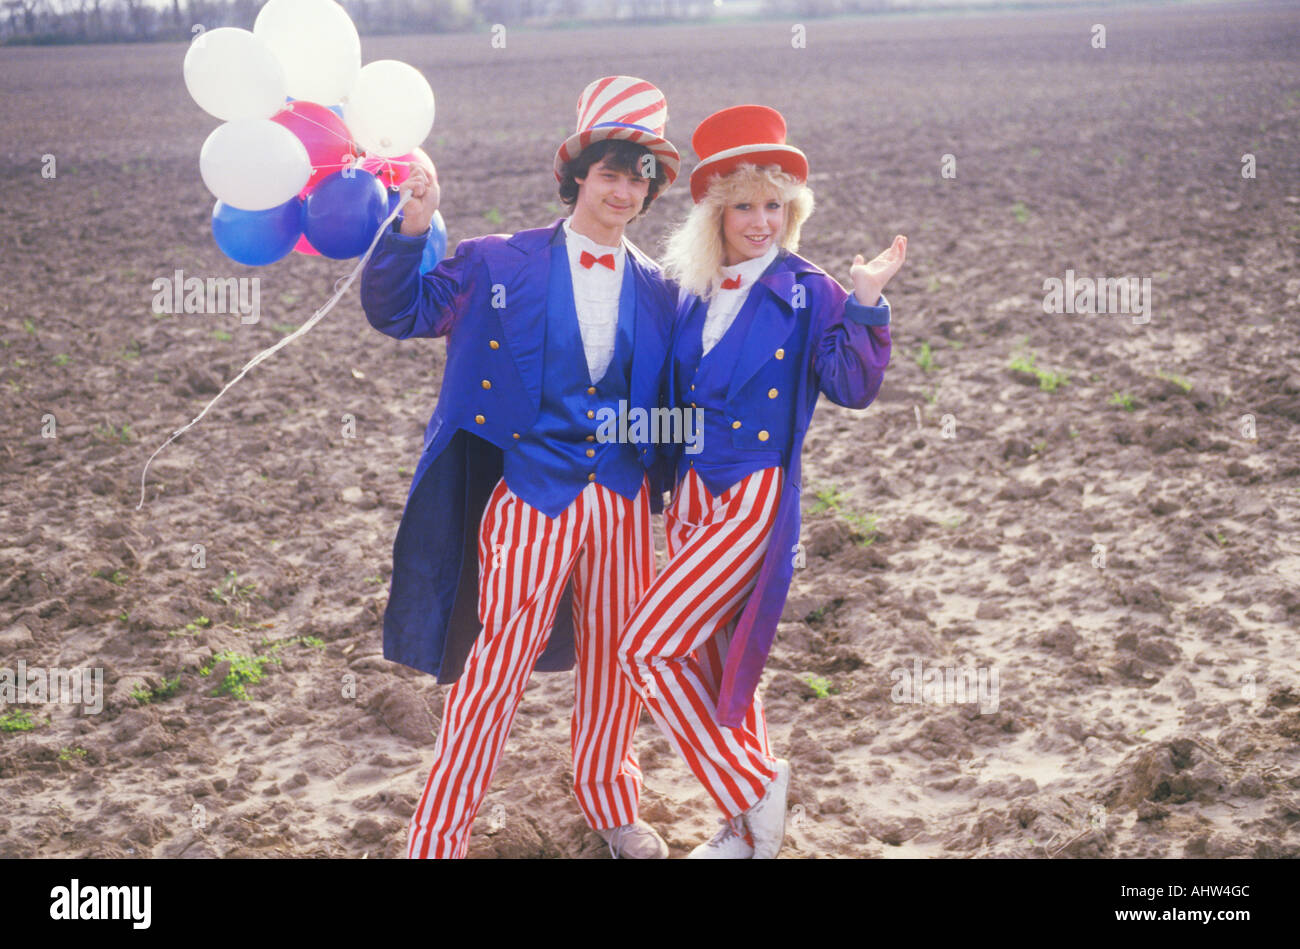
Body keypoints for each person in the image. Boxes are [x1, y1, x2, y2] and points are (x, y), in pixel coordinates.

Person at [359, 76, 682, 859]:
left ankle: (611, 803)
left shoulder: (662, 288)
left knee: (616, 665)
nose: (624, 190)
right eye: (610, 172)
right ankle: (436, 837)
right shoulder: (496, 262)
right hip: (533, 497)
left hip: (621, 504)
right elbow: (398, 310)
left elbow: (683, 395)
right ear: (577, 176)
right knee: (493, 670)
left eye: (639, 177)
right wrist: (416, 221)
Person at [616, 104, 907, 858]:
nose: (760, 220)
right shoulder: (694, 290)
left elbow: (851, 384)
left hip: (752, 497)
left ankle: (752, 786)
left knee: (647, 647)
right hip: (692, 500)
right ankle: (747, 835)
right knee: (710, 665)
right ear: (716, 211)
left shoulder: (807, 289)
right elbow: (675, 403)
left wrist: (868, 300)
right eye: (743, 204)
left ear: (791, 209)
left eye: (773, 204)